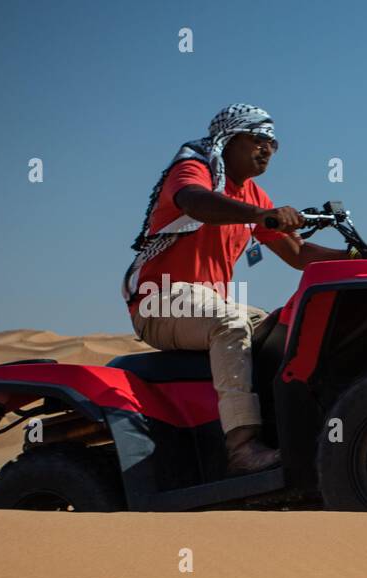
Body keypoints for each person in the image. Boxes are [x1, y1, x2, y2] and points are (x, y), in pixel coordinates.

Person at [123, 104, 347, 473]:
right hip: (159, 300)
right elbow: (195, 203)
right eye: (258, 140)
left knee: (287, 328)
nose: (267, 150)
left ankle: (294, 429)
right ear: (228, 140)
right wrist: (257, 216)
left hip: (206, 302)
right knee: (230, 322)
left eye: (273, 144)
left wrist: (357, 255)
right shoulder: (195, 171)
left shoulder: (255, 196)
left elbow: (298, 252)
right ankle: (241, 446)